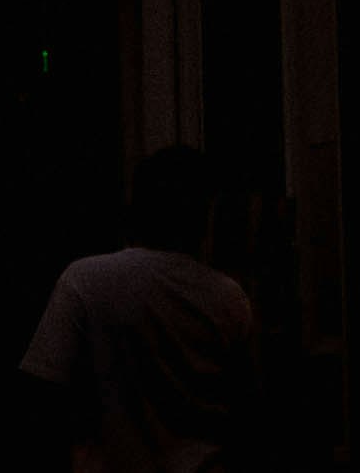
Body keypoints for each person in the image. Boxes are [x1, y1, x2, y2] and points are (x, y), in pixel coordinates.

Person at [19, 148, 257, 473]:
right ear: (202, 215)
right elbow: (247, 408)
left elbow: (41, 393)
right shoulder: (228, 298)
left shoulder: (85, 281)